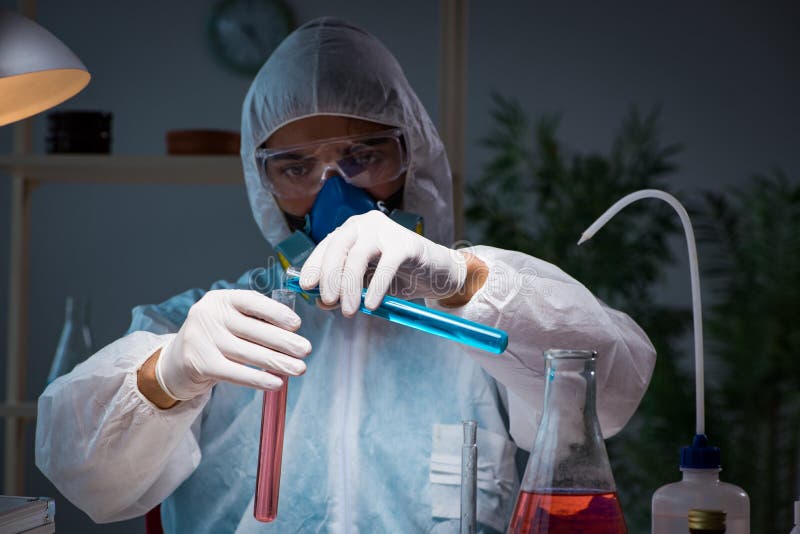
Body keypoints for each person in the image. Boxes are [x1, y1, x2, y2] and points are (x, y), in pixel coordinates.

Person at [35, 17, 655, 533]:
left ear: (413, 155)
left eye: (362, 156)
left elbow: (610, 394)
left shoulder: (473, 310)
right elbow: (82, 475)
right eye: (295, 167)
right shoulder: (215, 325)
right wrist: (169, 371)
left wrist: (464, 281)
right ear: (264, 183)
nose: (333, 190)